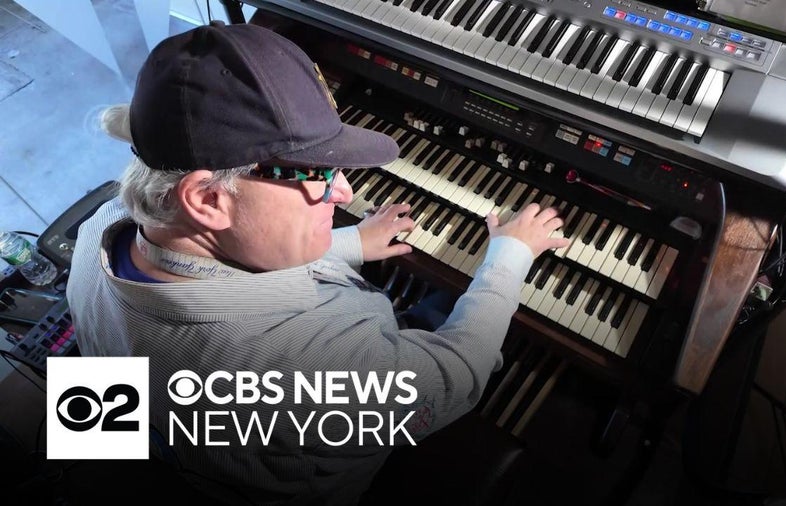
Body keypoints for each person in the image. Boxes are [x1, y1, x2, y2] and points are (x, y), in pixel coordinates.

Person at [67, 21, 569, 506]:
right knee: (452, 309)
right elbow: (458, 374)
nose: (344, 191)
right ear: (206, 196)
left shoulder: (101, 230)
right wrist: (510, 254)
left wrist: (350, 242)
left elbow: (223, 259)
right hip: (299, 483)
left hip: (175, 442)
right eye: (315, 173)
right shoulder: (308, 368)